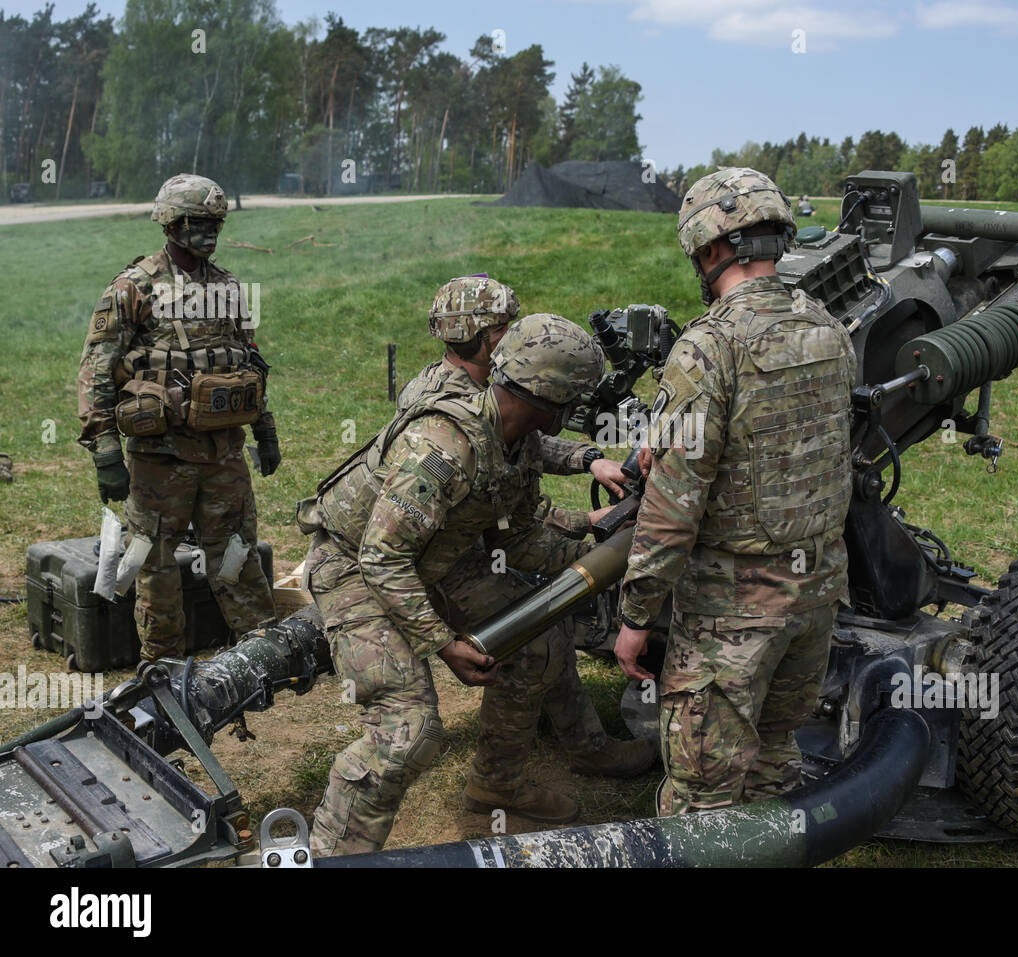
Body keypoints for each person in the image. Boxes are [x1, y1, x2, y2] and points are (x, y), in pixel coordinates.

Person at [300, 313, 655, 856]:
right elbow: (382, 556)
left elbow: (522, 544)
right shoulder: (443, 447)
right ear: (550, 397)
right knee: (408, 731)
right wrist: (444, 645)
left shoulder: (518, 440)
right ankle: (328, 858)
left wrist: (607, 549)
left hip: (435, 556)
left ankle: (499, 782)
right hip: (355, 566)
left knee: (535, 642)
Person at [614, 167, 856, 815]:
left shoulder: (708, 348)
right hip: (813, 599)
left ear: (713, 249)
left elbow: (671, 508)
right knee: (774, 760)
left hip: (731, 613)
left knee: (699, 796)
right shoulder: (831, 331)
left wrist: (637, 617)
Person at [77, 174, 279, 661]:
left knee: (236, 553)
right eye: (197, 221)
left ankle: (263, 656)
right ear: (170, 222)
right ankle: (163, 668)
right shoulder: (134, 287)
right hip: (160, 458)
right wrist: (105, 450)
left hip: (224, 454)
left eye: (215, 222)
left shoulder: (229, 287)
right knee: (154, 562)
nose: (208, 231)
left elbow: (248, 364)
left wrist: (264, 431)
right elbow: (95, 370)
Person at [397, 275, 629, 498]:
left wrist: (589, 460)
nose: (511, 336)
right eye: (499, 330)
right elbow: (494, 515)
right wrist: (586, 521)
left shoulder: (470, 385)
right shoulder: (443, 401)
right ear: (468, 337)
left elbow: (519, 437)